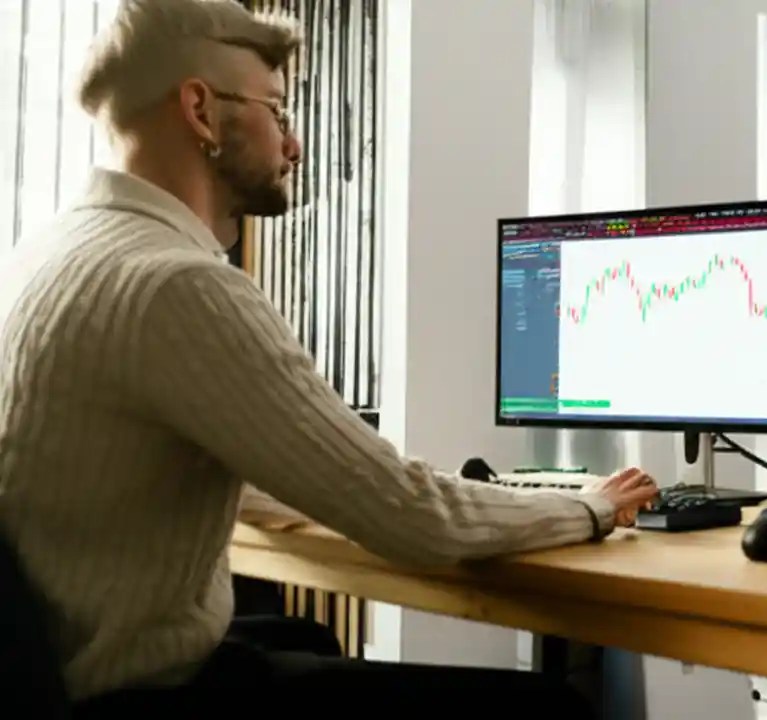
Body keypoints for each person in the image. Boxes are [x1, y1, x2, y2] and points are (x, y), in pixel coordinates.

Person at [0, 0, 658, 716]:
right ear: (199, 110)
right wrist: (587, 508)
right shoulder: (178, 285)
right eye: (277, 111)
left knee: (302, 634)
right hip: (136, 692)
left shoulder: (44, 254)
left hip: (62, 671)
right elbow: (412, 519)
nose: (295, 144)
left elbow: (164, 471)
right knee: (551, 707)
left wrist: (363, 485)